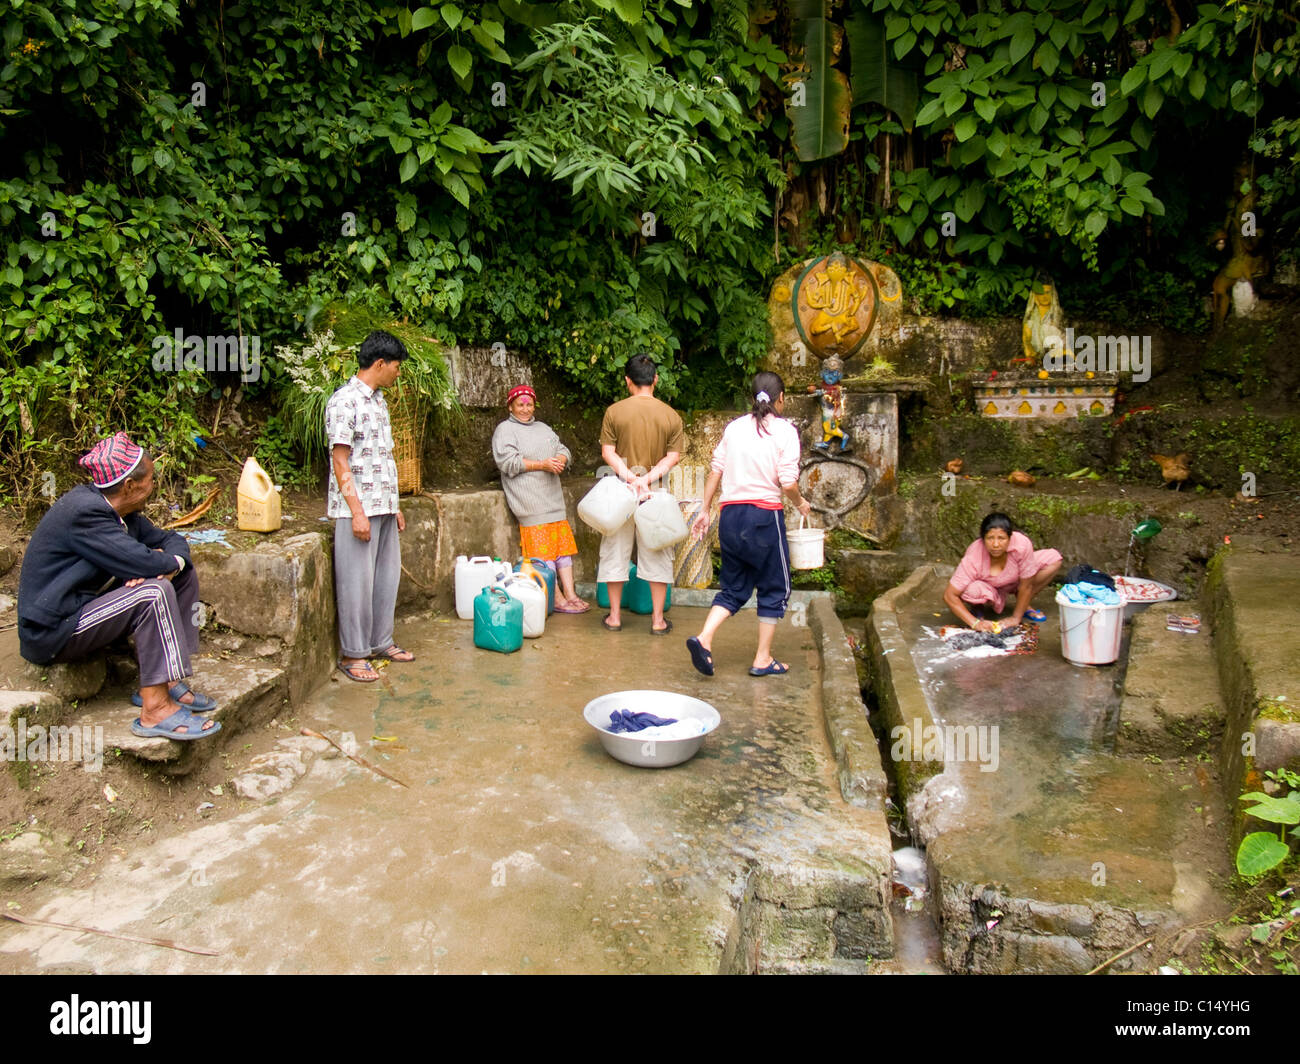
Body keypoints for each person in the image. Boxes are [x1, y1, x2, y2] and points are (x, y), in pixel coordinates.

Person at [17, 432, 221, 741]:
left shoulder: (122, 513)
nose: (153, 486)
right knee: (153, 593)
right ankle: (155, 711)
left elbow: (171, 541)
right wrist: (148, 565)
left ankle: (166, 680)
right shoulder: (86, 513)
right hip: (54, 630)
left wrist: (169, 562)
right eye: (151, 480)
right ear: (130, 485)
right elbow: (144, 561)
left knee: (181, 574)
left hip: (83, 607)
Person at [684, 372, 812, 677]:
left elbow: (716, 470)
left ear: (752, 396)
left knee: (734, 587)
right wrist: (800, 503)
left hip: (730, 516)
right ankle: (762, 659)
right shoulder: (785, 431)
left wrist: (705, 510)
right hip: (763, 517)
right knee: (774, 586)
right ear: (781, 397)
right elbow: (787, 481)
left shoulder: (735, 428)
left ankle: (704, 639)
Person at [326, 330, 414, 682]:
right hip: (356, 510)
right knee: (356, 584)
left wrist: (394, 505)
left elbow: (383, 455)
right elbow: (340, 460)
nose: (398, 372)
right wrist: (356, 511)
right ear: (380, 363)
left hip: (384, 507)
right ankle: (353, 654)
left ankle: (381, 642)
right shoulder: (344, 401)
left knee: (385, 580)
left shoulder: (378, 401)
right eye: (396, 366)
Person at [598, 354, 686, 635]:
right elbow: (672, 456)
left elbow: (608, 452)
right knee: (657, 551)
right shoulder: (671, 415)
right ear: (655, 380)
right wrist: (646, 480)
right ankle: (658, 621)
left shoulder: (614, 412)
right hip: (655, 491)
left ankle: (614, 617)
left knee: (615, 550)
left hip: (620, 491)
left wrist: (631, 479)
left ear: (628, 381)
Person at [491, 384, 589, 613]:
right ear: (511, 407)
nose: (525, 409)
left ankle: (571, 594)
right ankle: (556, 598)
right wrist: (542, 464)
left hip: (553, 500)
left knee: (563, 552)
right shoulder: (505, 430)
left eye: (529, 404)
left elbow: (564, 449)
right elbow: (507, 463)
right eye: (520, 405)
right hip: (530, 503)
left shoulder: (543, 428)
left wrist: (561, 459)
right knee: (543, 555)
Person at [943, 512, 1063, 631]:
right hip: (988, 588)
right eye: (990, 538)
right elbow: (949, 595)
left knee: (1053, 558)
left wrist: (1016, 618)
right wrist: (975, 623)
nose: (995, 544)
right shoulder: (974, 554)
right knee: (970, 590)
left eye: (1001, 538)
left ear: (1010, 538)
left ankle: (1024, 605)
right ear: (983, 539)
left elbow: (1027, 585)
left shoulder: (1021, 544)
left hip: (1015, 580)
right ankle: (977, 606)